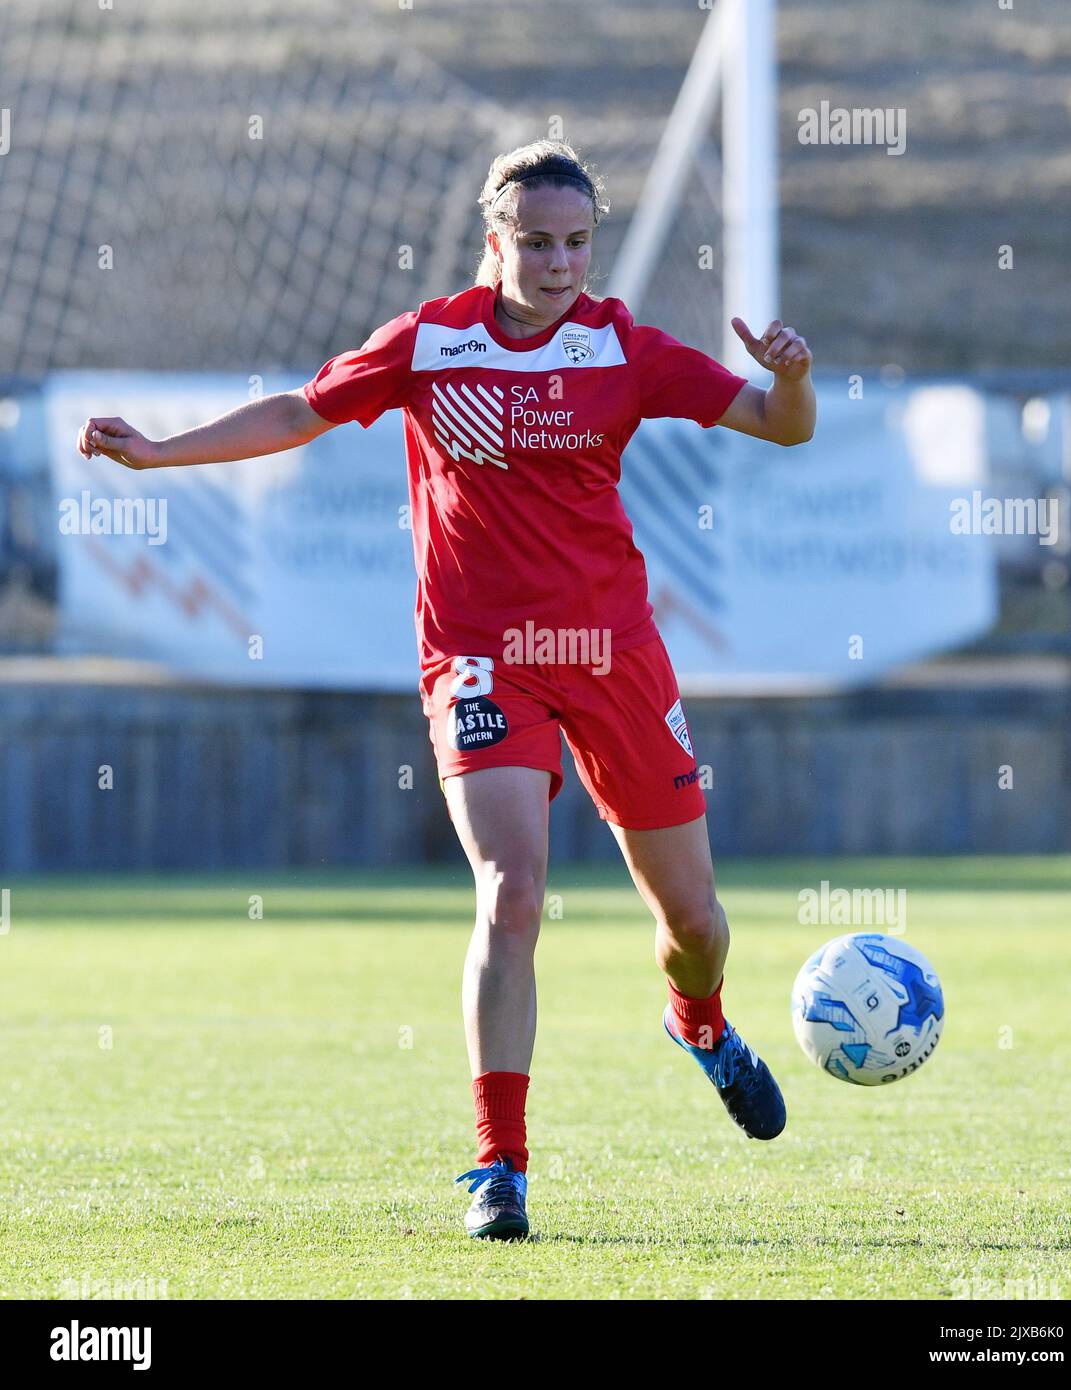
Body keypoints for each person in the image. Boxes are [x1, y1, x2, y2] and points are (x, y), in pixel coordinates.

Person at [77, 139, 815, 1243]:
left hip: (611, 654)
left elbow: (777, 425)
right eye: (535, 242)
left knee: (695, 922)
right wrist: (158, 453)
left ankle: (698, 1022)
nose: (558, 262)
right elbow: (296, 413)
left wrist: (794, 378)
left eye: (575, 243)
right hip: (480, 653)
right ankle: (497, 1166)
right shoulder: (432, 343)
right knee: (512, 893)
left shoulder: (626, 349)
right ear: (493, 240)